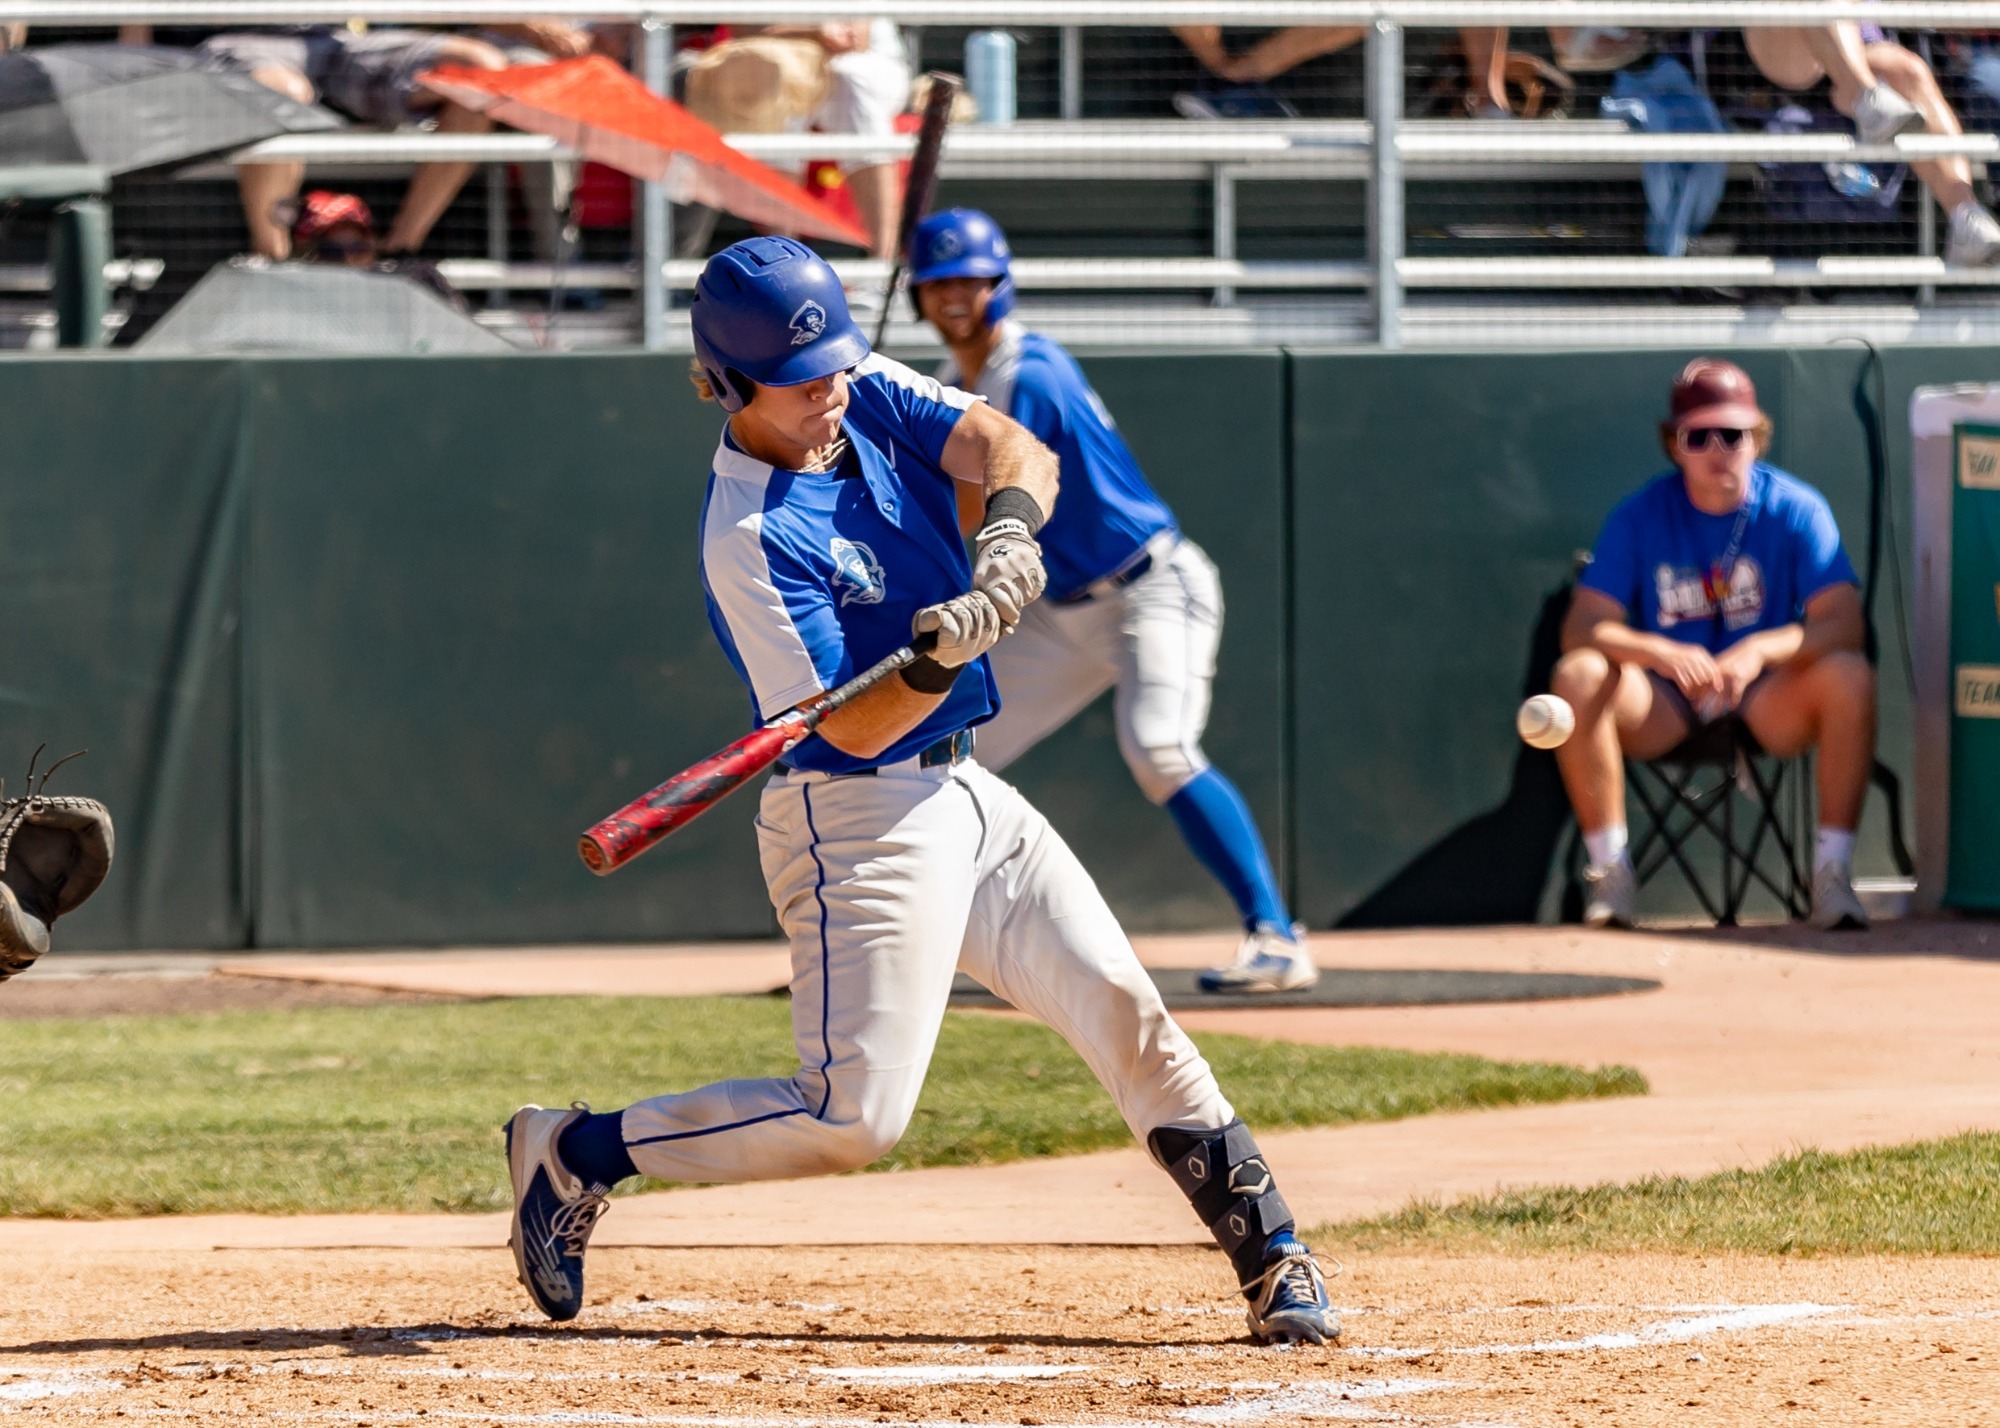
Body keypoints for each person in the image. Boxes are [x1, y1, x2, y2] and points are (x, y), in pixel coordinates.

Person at [502, 237, 1337, 1347]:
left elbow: (1008, 442)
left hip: (965, 795)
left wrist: (1002, 536)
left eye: (838, 371)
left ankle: (1273, 1252)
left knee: (1120, 1008)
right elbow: (840, 727)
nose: (832, 397)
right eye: (803, 387)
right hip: (852, 823)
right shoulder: (745, 534)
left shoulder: (863, 393)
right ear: (728, 384)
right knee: (850, 1121)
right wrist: (939, 658)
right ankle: (573, 1154)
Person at [907, 209, 1317, 995]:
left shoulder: (1026, 373)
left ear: (1002, 283)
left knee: (1159, 747)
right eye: (940, 282)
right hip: (1061, 613)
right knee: (946, 752)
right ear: (921, 293)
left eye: (971, 280)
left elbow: (978, 508)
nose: (956, 296)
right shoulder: (966, 384)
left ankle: (1277, 937)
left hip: (1149, 588)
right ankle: (906, 948)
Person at [1549, 358, 1876, 931]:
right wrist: (1660, 653)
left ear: (1758, 437)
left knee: (1849, 673)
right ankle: (1611, 872)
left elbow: (1843, 623)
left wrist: (1760, 651)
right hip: (1664, 701)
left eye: (1733, 433)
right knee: (1578, 674)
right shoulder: (1639, 514)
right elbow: (1584, 626)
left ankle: (1833, 874)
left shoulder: (1796, 508)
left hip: (1765, 701)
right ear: (1674, 445)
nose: (1718, 448)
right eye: (1698, 436)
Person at [1744, 22, 2000, 265]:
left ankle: (1967, 217)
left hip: (1856, 49)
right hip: (1785, 44)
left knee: (1909, 72)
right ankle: (1868, 100)